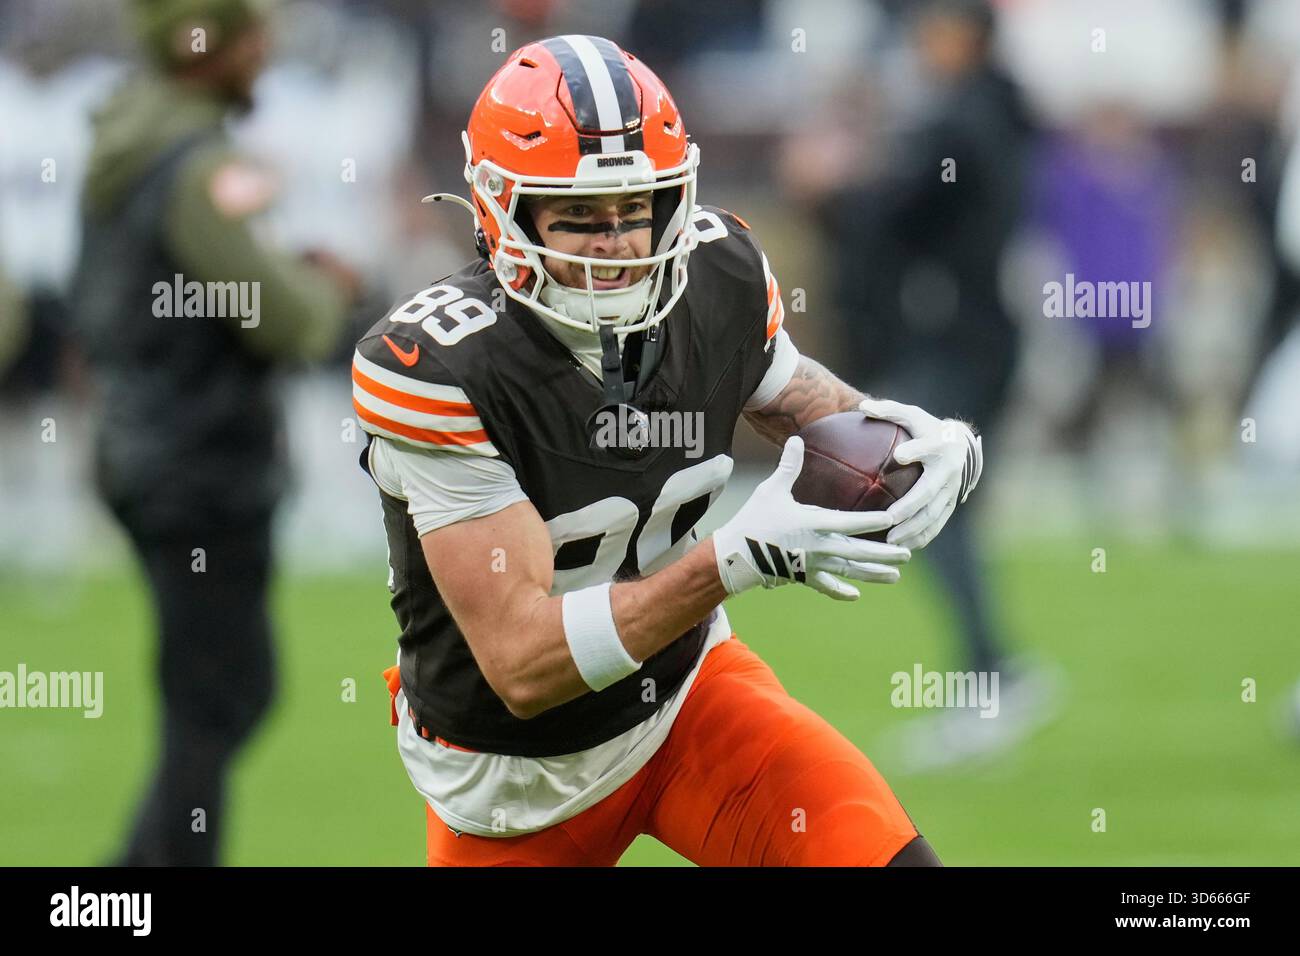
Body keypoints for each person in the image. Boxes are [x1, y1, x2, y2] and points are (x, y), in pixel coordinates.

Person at [355, 35, 982, 866]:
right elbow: (524, 661)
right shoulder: (438, 367)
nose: (616, 243)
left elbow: (796, 399)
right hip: (513, 783)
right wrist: (732, 561)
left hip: (686, 701)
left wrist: (923, 444)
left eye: (634, 209)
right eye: (578, 216)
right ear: (500, 211)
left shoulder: (715, 275)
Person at [73, 0, 357, 865]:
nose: (263, 51)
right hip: (201, 466)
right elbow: (282, 320)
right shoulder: (198, 164)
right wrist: (328, 288)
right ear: (203, 48)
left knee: (214, 697)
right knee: (219, 700)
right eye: (247, 35)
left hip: (147, 450)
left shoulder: (126, 140)